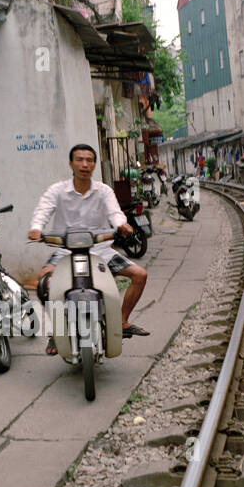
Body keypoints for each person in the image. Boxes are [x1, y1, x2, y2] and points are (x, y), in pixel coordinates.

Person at [29, 144, 150, 356]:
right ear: (71, 163)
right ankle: (56, 333)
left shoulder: (103, 191)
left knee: (140, 275)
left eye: (89, 160)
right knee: (44, 282)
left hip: (100, 251)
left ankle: (121, 321)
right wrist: (36, 228)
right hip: (66, 252)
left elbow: (115, 212)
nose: (85, 164)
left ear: (94, 164)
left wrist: (122, 224)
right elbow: (43, 209)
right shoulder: (57, 190)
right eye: (79, 159)